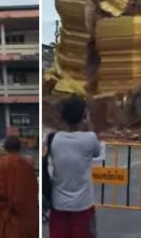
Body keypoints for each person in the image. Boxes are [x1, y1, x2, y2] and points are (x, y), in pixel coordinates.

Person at [49, 97, 101, 238]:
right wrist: (89, 126)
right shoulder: (90, 139)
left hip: (59, 205)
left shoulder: (54, 139)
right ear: (84, 116)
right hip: (83, 205)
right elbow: (97, 152)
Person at [0, 135, 37, 238]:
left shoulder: (3, 166)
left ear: (5, 148)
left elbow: (1, 193)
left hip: (11, 218)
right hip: (28, 217)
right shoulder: (27, 166)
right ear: (19, 147)